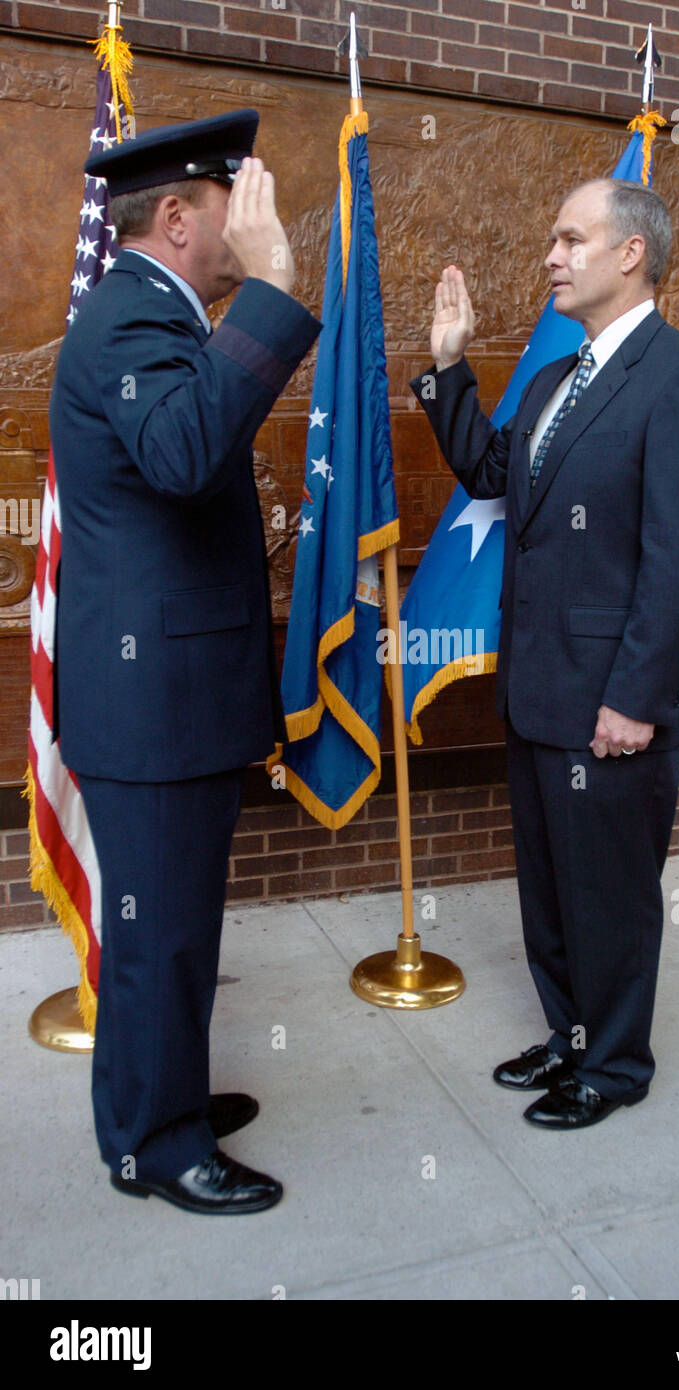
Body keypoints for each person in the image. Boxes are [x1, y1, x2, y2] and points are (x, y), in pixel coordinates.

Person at [412, 178, 679, 1130]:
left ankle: (614, 1064)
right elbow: (492, 474)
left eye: (568, 239)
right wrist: (449, 370)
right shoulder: (560, 380)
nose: (550, 257)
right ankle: (568, 1036)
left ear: (629, 253)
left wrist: (636, 698)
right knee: (553, 886)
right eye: (552, 240)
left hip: (611, 698)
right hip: (539, 689)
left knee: (608, 891)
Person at [49, 109, 321, 1211]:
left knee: (173, 925)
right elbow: (182, 450)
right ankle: (156, 1147)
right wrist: (273, 287)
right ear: (177, 218)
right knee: (158, 935)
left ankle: (163, 1098)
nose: (246, 225)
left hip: (171, 696)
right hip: (151, 705)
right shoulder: (128, 320)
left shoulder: (154, 317)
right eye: (233, 208)